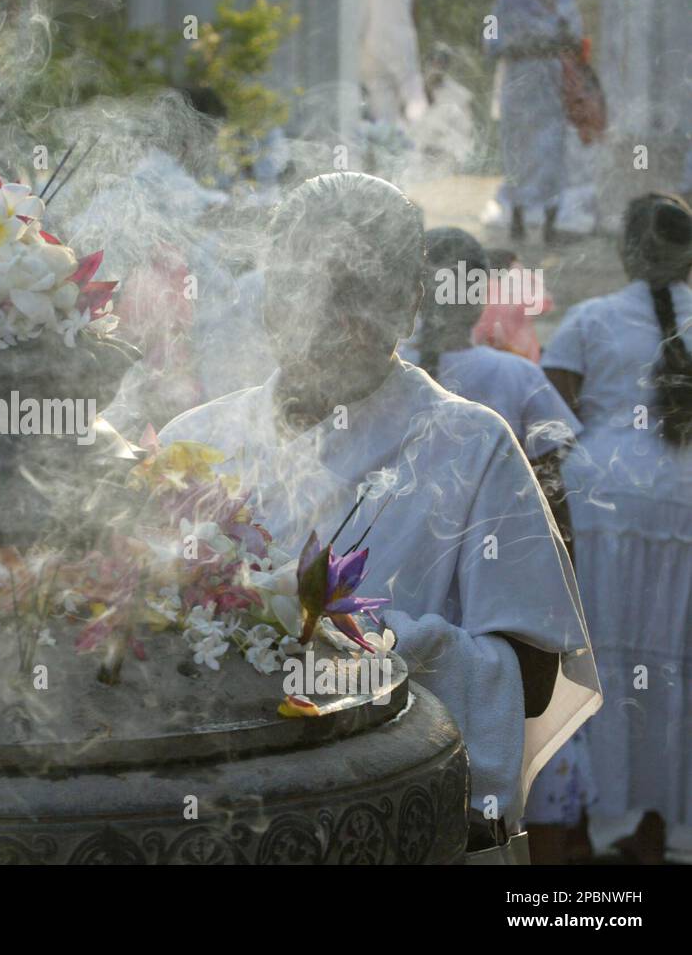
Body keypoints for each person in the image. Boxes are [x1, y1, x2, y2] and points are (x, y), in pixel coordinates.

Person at [160, 173, 600, 856]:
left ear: (411, 306)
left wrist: (374, 642)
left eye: (362, 291)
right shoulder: (196, 442)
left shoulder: (470, 442)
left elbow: (534, 675)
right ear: (269, 298)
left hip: (391, 817)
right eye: (307, 286)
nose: (333, 317)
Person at [541, 193, 692, 863]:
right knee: (674, 663)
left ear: (626, 250)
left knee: (604, 662)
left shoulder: (589, 319)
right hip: (683, 503)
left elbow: (549, 428)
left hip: (603, 507)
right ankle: (671, 824)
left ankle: (598, 819)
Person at [400, 227, 579, 551]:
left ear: (415, 296)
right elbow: (552, 490)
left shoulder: (389, 368)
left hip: (400, 552)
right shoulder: (519, 375)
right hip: (502, 552)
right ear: (480, 296)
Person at [487, 0, 583, 244]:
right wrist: (521, 46)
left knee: (553, 153)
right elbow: (491, 38)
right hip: (519, 85)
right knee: (517, 151)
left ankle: (550, 224)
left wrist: (559, 39)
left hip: (553, 87)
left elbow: (576, 39)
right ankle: (517, 218)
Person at [358, 0, 428, 127]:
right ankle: (420, 137)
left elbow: (360, 14)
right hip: (401, 41)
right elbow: (415, 10)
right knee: (413, 96)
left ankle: (388, 141)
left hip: (372, 43)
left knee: (381, 107)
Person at [471, 247, 554, 363]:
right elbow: (547, 304)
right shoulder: (519, 295)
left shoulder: (481, 294)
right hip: (524, 358)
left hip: (490, 360)